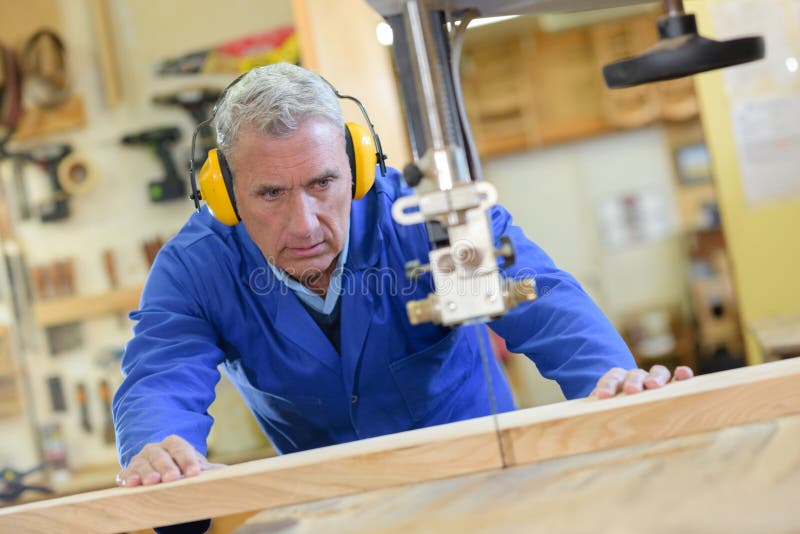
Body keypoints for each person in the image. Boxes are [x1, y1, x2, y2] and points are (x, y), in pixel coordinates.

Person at [113, 63, 693, 491]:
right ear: (225, 194)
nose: (304, 222)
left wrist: (611, 382)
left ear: (358, 166)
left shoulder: (426, 219)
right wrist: (160, 456)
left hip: (491, 485)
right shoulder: (197, 268)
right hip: (339, 511)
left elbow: (538, 300)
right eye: (270, 193)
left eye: (322, 183)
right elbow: (160, 380)